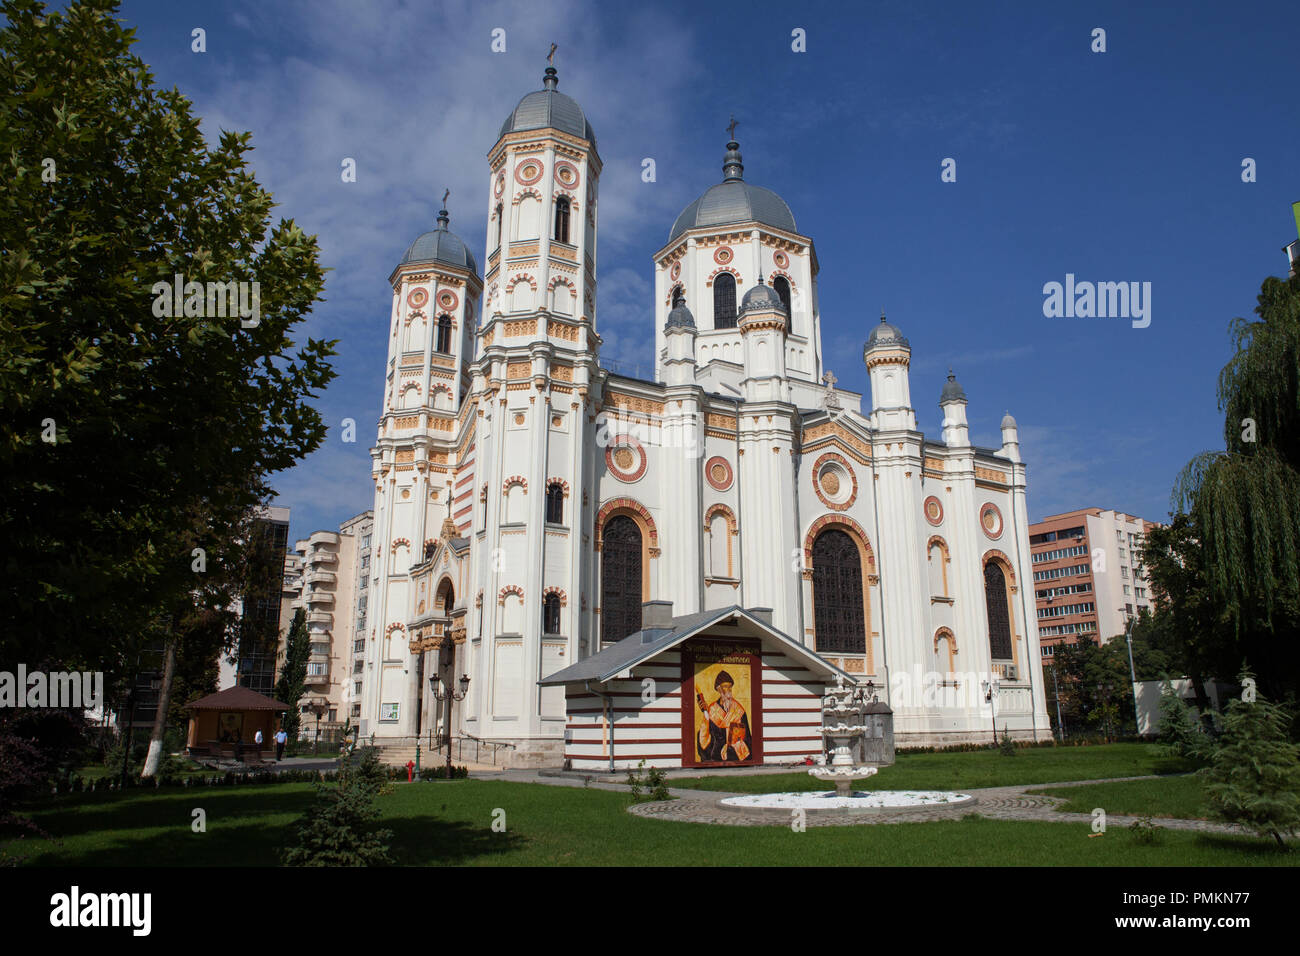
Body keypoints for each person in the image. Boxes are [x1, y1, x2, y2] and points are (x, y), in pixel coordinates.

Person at [696, 670, 752, 763]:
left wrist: (732, 747)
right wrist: (705, 713)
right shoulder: (712, 709)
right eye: (725, 686)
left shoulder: (739, 710)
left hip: (734, 754)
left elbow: (747, 738)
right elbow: (704, 735)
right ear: (719, 689)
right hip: (715, 755)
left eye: (730, 687)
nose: (729, 690)